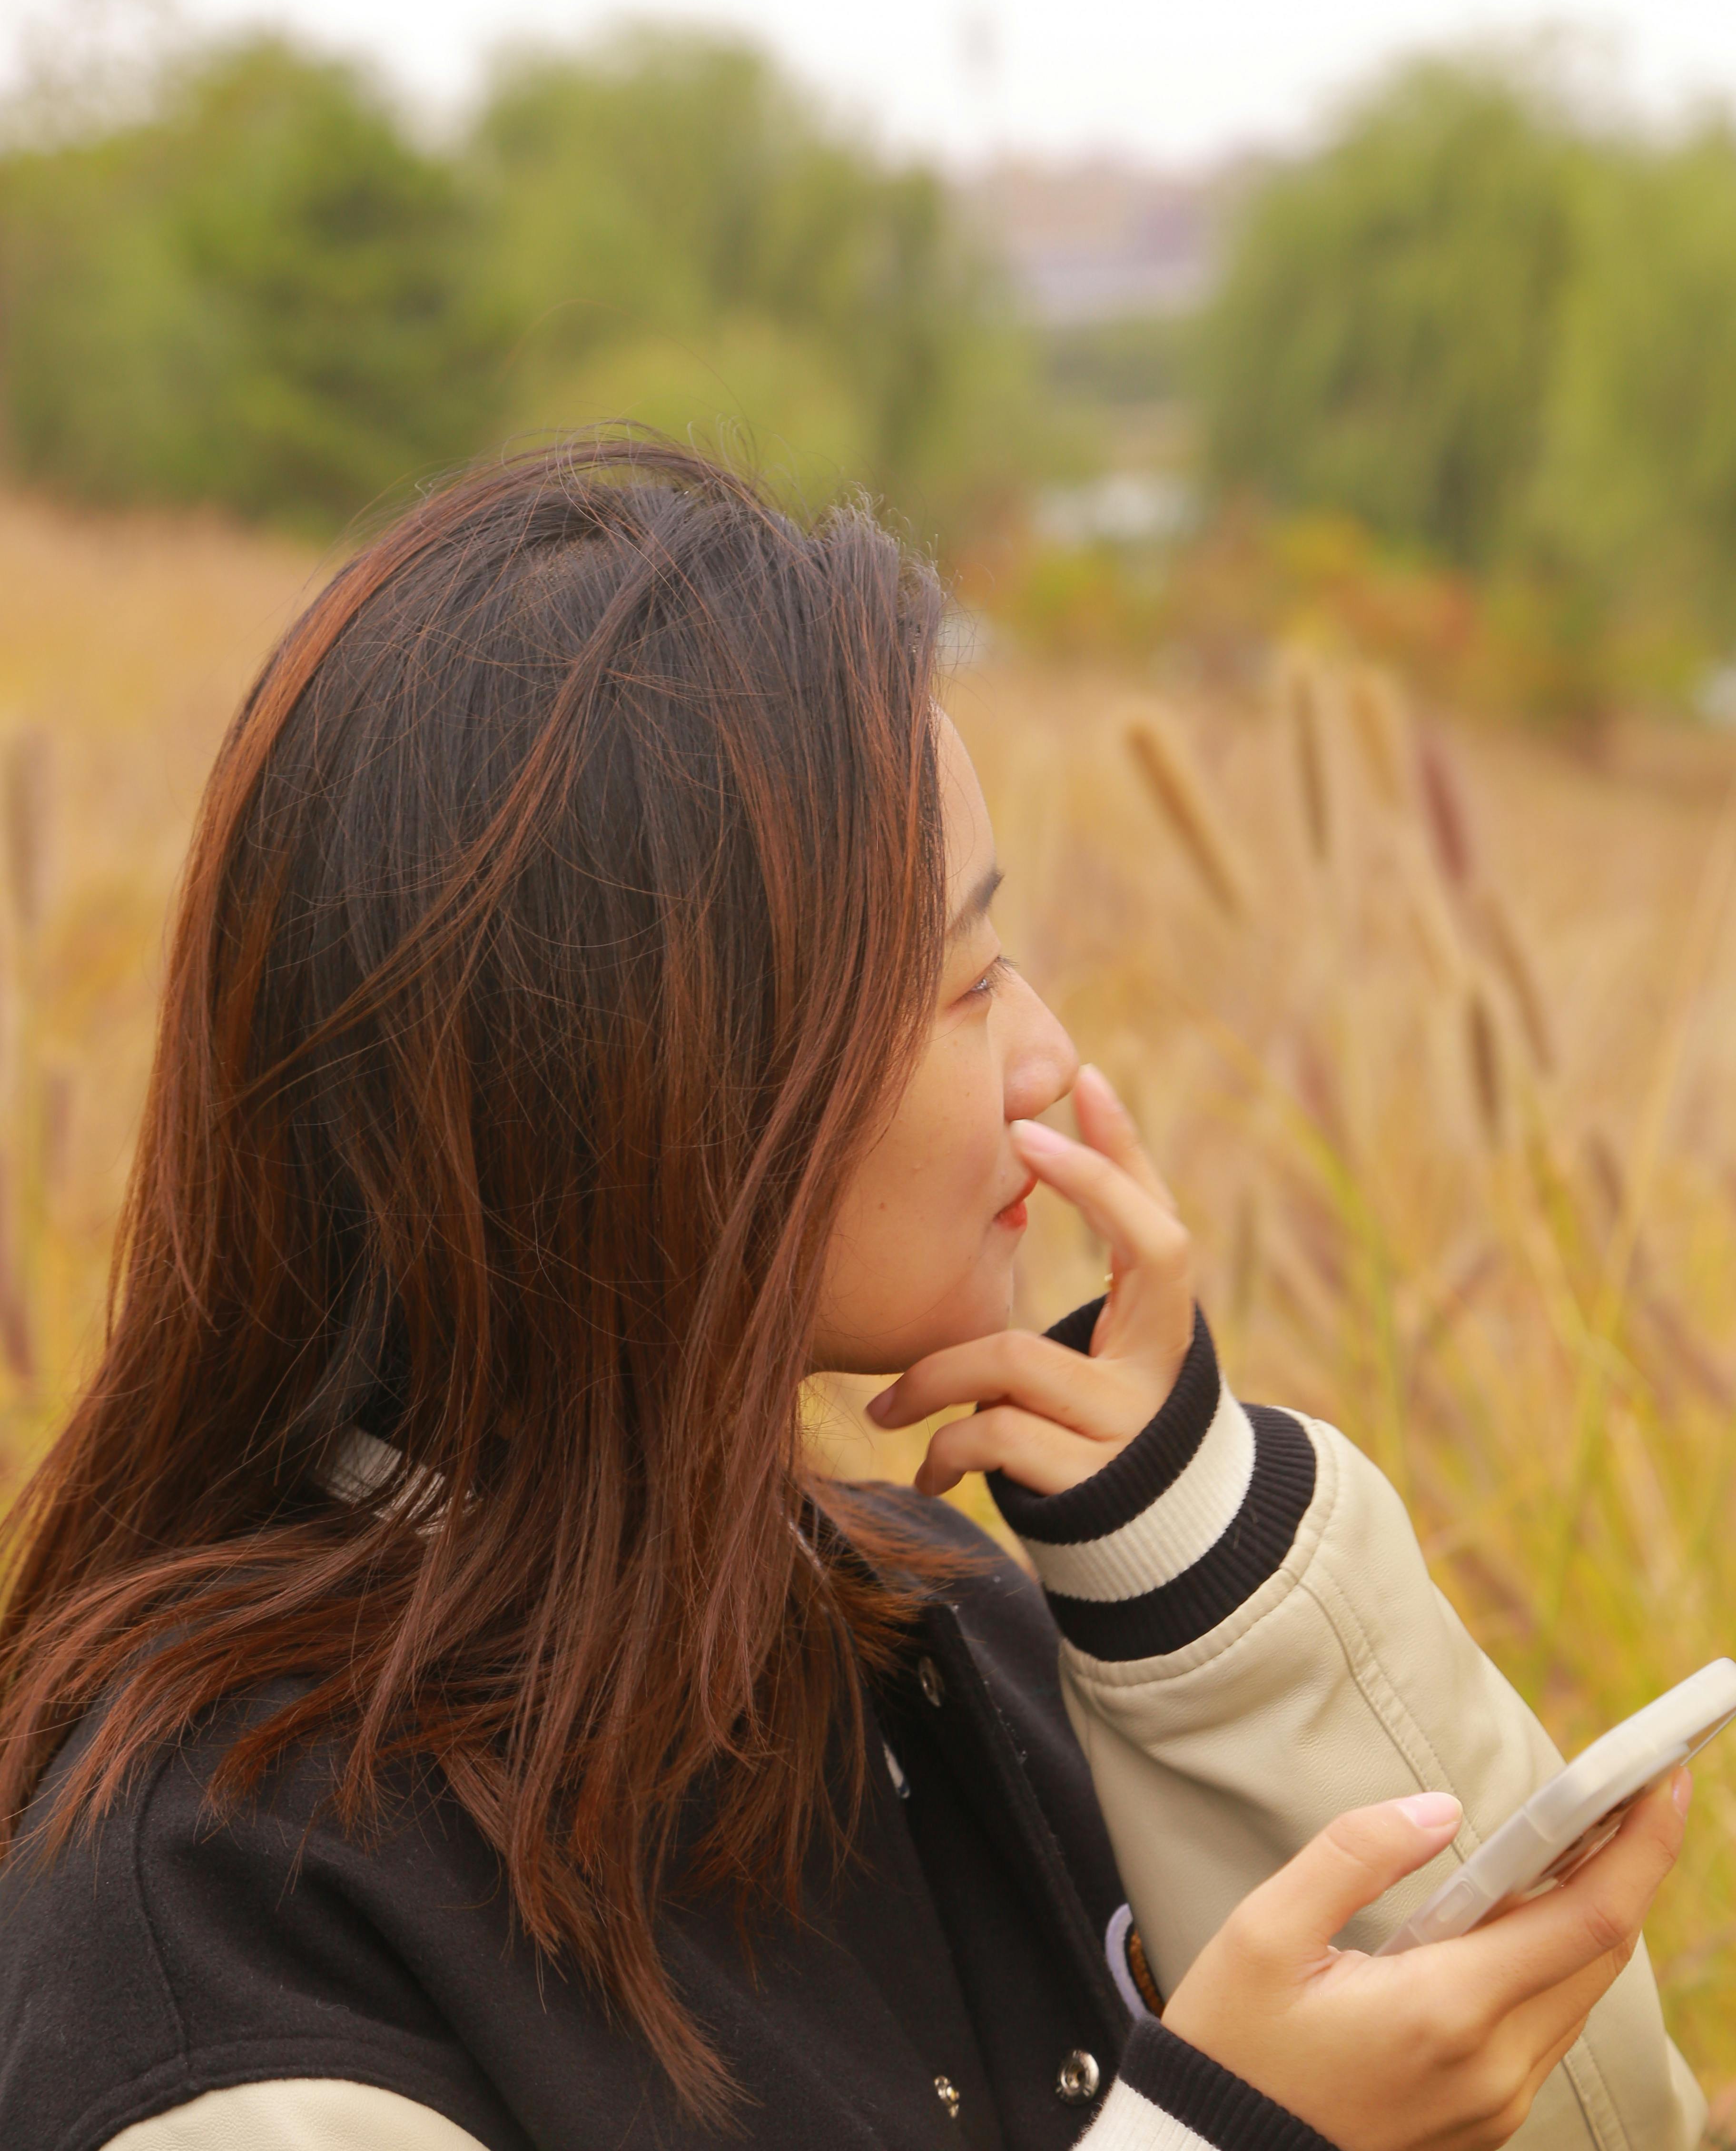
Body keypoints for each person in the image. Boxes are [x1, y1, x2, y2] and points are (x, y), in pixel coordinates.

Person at [0, 442, 1703, 2151]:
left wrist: (1204, 1591)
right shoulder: (219, 1929)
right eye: (963, 988)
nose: (1053, 1065)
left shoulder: (952, 1631)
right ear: (651, 1088)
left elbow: (1600, 2126)